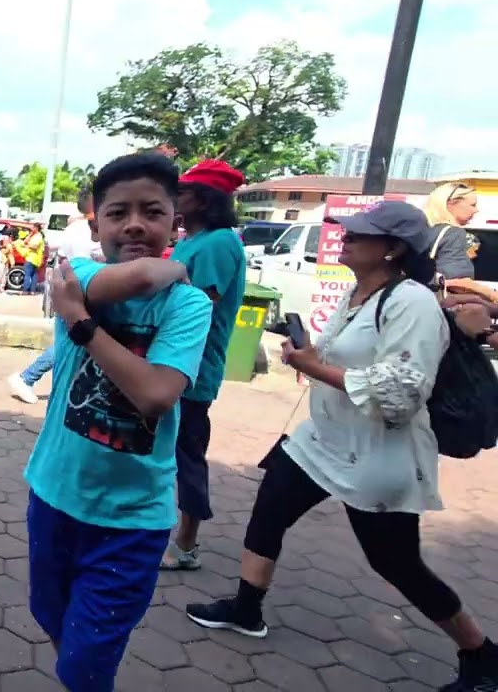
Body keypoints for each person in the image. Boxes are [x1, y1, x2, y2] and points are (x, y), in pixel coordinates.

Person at [185, 201, 498, 692]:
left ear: (393, 249)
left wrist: (313, 367)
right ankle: (246, 608)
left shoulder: (410, 302)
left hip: (376, 454)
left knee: (395, 563)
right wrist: (307, 353)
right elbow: (339, 358)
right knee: (269, 507)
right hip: (322, 440)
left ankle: (481, 654)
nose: (345, 239)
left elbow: (401, 392)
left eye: (359, 235)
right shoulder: (361, 293)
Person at [27, 152, 211, 691]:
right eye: (118, 213)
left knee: (87, 664)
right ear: (95, 224)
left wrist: (81, 323)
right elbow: (139, 278)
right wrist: (168, 265)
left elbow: (156, 394)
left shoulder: (188, 306)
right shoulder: (77, 273)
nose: (134, 224)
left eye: (152, 212)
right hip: (53, 495)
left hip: (130, 520)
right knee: (52, 621)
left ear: (174, 221)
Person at [160, 159, 248, 571]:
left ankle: (187, 544)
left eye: (182, 192)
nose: (174, 198)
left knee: (187, 454)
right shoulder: (192, 240)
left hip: (191, 368)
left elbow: (200, 301)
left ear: (204, 200)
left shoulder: (217, 243)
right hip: (171, 360)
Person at [8, 190, 98, 403]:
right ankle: (28, 377)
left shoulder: (73, 228)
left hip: (68, 285)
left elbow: (59, 252)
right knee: (75, 340)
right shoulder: (92, 229)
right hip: (86, 288)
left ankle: (43, 381)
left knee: (75, 340)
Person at [422, 182, 493, 301]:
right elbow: (456, 281)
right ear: (450, 205)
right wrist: (490, 293)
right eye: (472, 205)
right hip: (444, 306)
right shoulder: (454, 233)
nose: (476, 210)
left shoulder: (421, 230)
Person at [17, 221, 46, 294]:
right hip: (35, 259)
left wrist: (26, 246)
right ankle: (32, 291)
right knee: (34, 275)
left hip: (32, 258)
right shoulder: (35, 236)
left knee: (27, 274)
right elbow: (25, 241)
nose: (31, 229)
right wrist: (30, 235)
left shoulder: (38, 237)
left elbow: (35, 246)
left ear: (36, 228)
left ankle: (25, 290)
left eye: (33, 227)